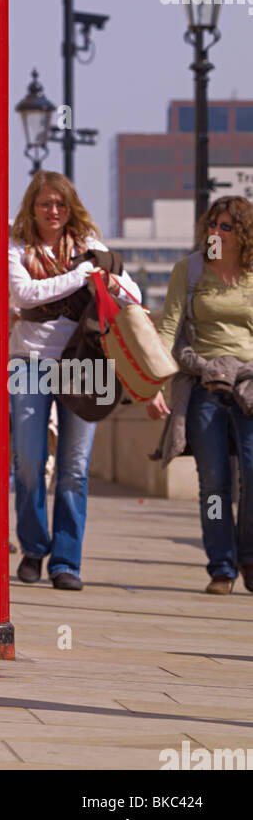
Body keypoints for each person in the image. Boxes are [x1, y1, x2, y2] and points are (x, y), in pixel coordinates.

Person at [9, 171, 141, 590]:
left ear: (70, 208)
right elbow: (24, 295)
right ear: (32, 207)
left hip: (86, 363)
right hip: (28, 363)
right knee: (29, 462)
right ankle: (33, 547)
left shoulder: (90, 246)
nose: (53, 211)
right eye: (45, 203)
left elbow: (133, 296)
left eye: (60, 204)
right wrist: (83, 275)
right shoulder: (15, 248)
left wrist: (107, 279)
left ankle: (66, 562)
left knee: (74, 469)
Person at [152, 196, 253, 594]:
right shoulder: (190, 269)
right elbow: (168, 329)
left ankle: (249, 554)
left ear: (243, 233)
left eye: (226, 226)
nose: (216, 232)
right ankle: (222, 566)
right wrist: (152, 384)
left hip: (249, 385)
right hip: (204, 384)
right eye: (212, 224)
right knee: (214, 483)